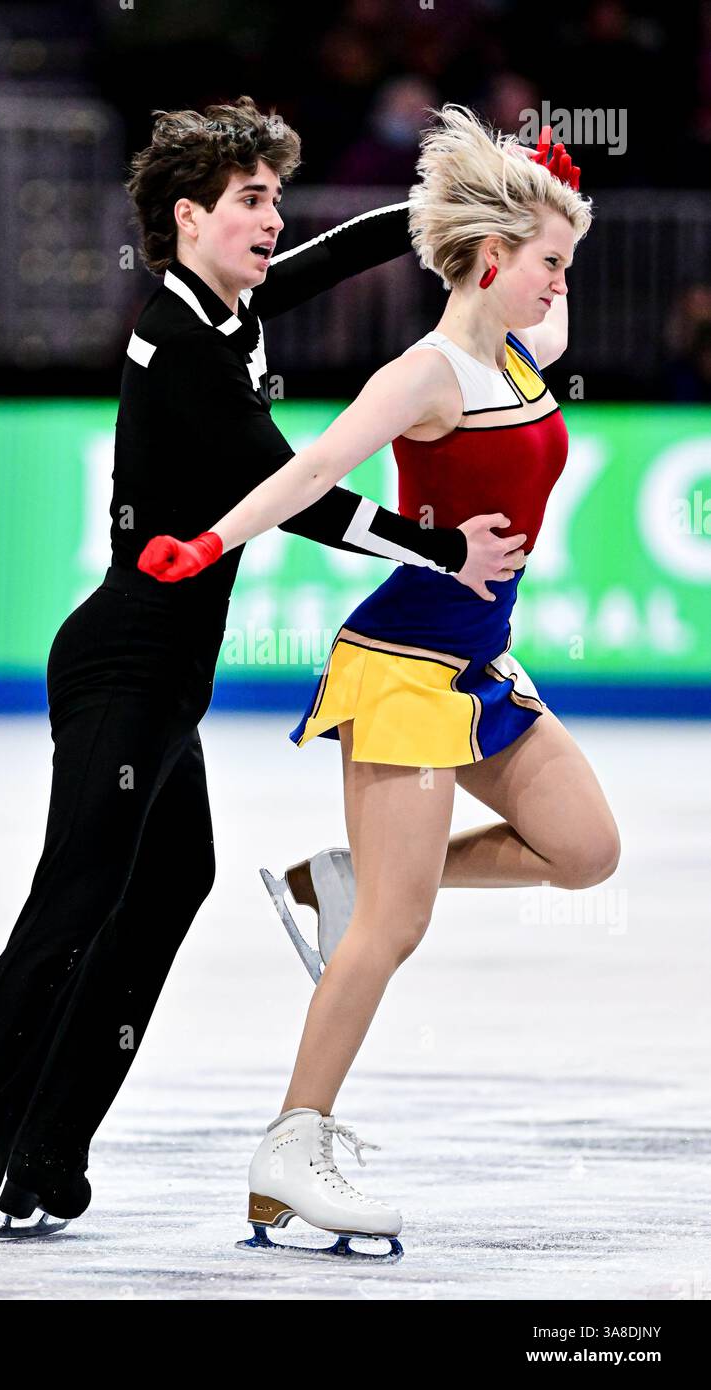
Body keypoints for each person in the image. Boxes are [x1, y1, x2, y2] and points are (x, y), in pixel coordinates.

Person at [0, 95, 517, 1262]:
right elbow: (297, 493)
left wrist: (440, 204)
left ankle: (44, 1155)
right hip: (125, 665)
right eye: (249, 201)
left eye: (274, 196)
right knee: (72, 905)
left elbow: (334, 254)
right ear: (187, 219)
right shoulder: (181, 344)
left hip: (163, 675)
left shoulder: (222, 304)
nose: (273, 218)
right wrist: (444, 550)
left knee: (168, 878)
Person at [138, 106, 621, 1259]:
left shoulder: (519, 345)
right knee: (392, 930)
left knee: (586, 849)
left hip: (479, 661)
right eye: (550, 265)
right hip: (405, 665)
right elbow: (308, 469)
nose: (562, 285)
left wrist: (537, 184)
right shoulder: (425, 375)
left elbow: (537, 283)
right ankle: (291, 1145)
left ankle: (345, 877)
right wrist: (206, 545)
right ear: (495, 262)